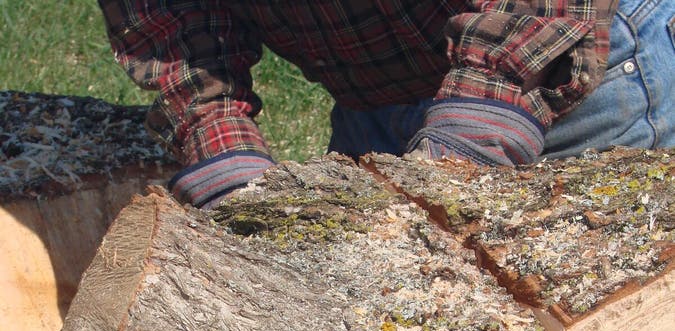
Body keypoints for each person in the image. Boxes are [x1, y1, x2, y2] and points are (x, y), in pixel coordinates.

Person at [98, 1, 675, 209]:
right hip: (370, 98)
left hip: (558, 62)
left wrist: (457, 159)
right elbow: (171, 12)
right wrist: (220, 141)